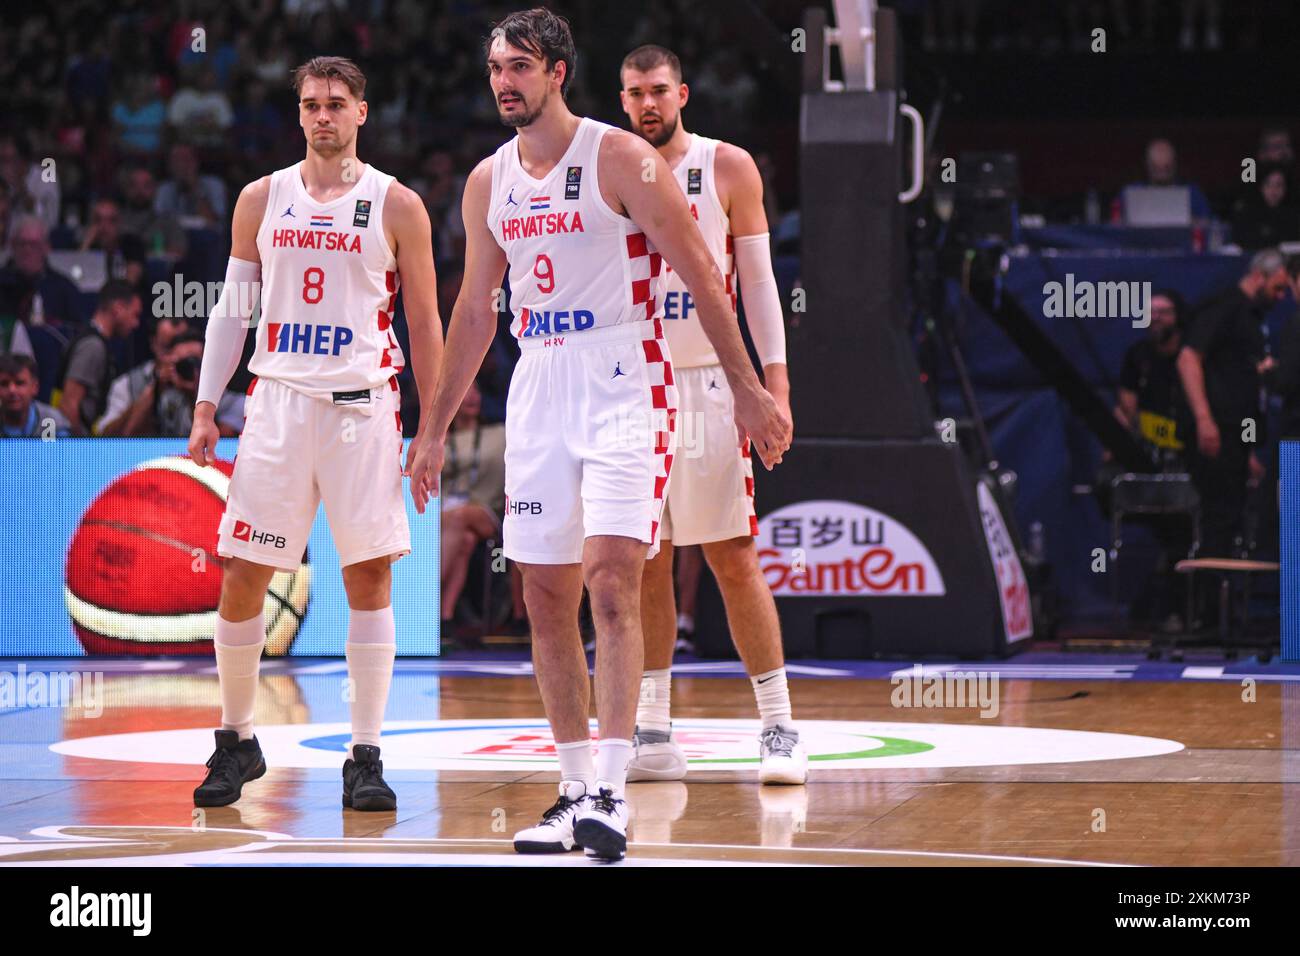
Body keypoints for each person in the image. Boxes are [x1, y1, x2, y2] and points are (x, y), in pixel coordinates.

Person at [405, 8, 791, 862]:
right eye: (495, 68)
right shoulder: (486, 180)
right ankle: (573, 786)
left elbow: (703, 271)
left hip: (627, 374)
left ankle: (615, 790)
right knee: (543, 594)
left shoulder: (620, 156)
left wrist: (750, 387)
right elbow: (475, 311)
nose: (504, 81)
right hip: (539, 381)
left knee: (614, 578)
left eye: (519, 66)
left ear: (557, 71)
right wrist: (431, 429)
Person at [187, 56, 443, 813]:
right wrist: (206, 406)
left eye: (336, 103)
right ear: (297, 113)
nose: (322, 115)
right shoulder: (260, 197)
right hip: (277, 403)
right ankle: (236, 740)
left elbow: (423, 323)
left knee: (367, 577)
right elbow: (232, 311)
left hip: (364, 407)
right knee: (241, 575)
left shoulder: (398, 205)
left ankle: (364, 754)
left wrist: (432, 426)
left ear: (362, 111)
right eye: (310, 104)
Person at [619, 45, 805, 786]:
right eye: (634, 94)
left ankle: (780, 724)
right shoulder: (608, 167)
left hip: (711, 381)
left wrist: (774, 387)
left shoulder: (728, 167)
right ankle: (655, 729)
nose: (647, 105)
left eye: (658, 91)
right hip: (633, 383)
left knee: (730, 554)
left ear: (684, 93)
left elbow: (757, 284)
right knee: (644, 561)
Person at [1176, 249, 1290, 557]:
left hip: (1238, 437)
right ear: (1258, 276)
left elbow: (1250, 394)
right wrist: (1203, 419)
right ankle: (1207, 602)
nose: (1281, 297)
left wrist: (1249, 448)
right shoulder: (1225, 307)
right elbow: (1188, 359)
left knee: (1234, 520)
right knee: (1219, 517)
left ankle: (1226, 599)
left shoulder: (1254, 322)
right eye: (1277, 288)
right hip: (1217, 431)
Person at [438, 379, 508, 630]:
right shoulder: (439, 439)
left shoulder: (499, 434)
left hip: (487, 511)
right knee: (465, 540)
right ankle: (444, 617)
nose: (471, 398)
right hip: (444, 514)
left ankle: (426, 592)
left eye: (476, 391)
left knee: (460, 518)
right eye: (464, 392)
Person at [57, 279, 142, 435]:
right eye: (134, 315)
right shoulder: (93, 346)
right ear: (118, 308)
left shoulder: (94, 341)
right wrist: (81, 449)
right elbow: (68, 405)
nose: (136, 323)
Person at [1115, 290, 1190, 467]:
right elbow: (1126, 406)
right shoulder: (1137, 354)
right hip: (1150, 442)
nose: (1155, 317)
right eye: (1150, 312)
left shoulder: (1193, 354)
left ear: (1178, 316)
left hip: (1190, 443)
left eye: (1163, 312)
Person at [0, 353, 71, 438]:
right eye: (4, 384)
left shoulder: (53, 421)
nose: (12, 390)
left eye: (19, 383)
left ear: (35, 387)